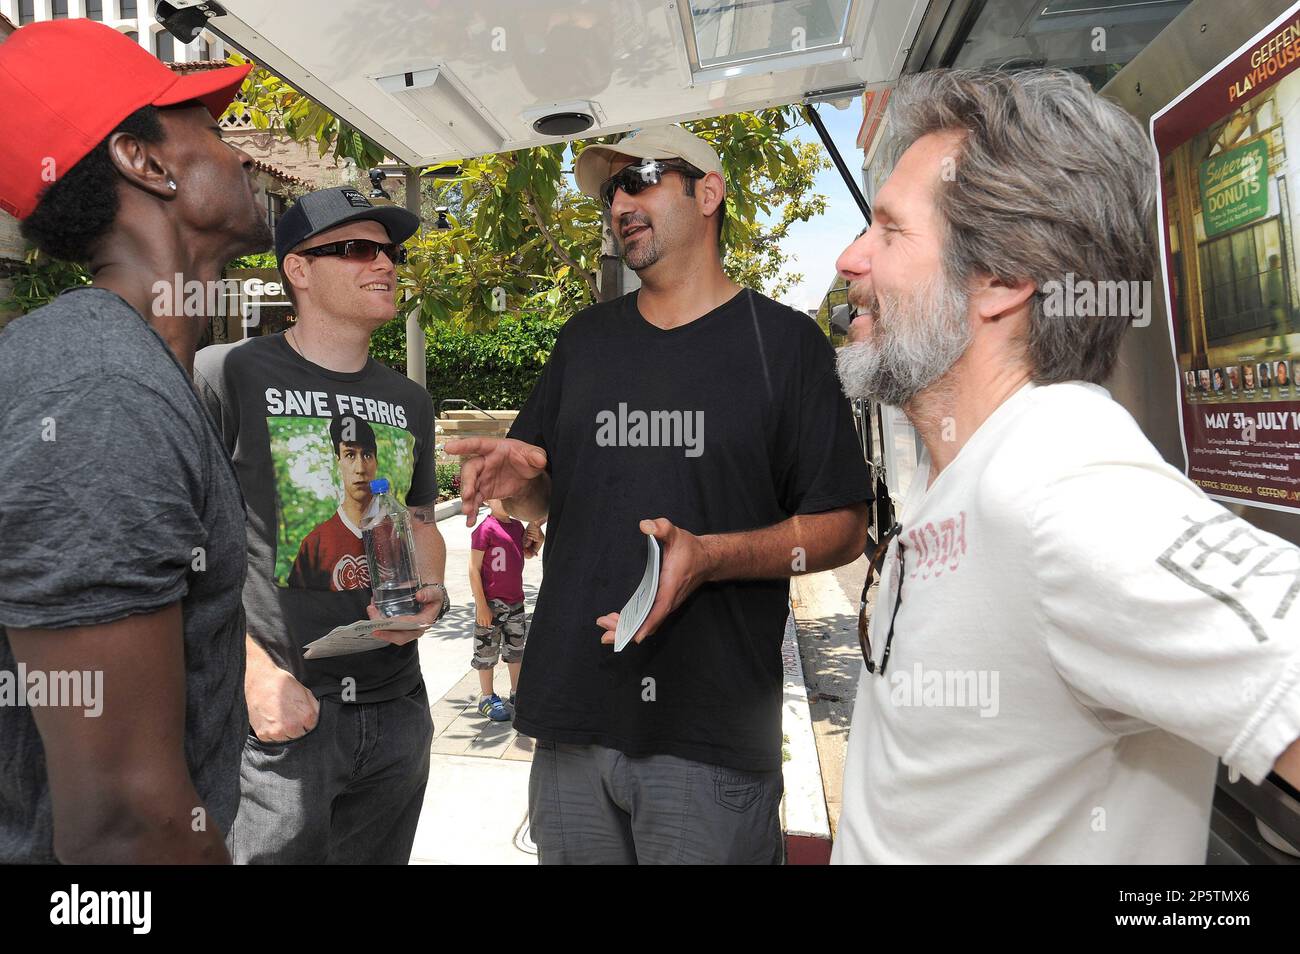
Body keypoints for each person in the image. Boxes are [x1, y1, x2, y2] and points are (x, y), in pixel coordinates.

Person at [831, 68, 1300, 864]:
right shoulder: (976, 465)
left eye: (889, 230)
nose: (850, 258)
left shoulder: (1061, 486)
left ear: (1004, 282)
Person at [448, 125, 871, 865]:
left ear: (709, 192)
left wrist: (710, 556)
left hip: (707, 731)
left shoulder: (788, 348)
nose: (620, 203)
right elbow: (555, 503)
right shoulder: (583, 341)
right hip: (573, 717)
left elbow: (840, 528)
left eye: (640, 177)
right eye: (611, 190)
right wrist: (522, 490)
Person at [0, 20, 270, 863]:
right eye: (215, 129)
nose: (240, 153)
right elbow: (125, 823)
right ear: (144, 161)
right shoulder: (101, 392)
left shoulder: (132, 370)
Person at [193, 187, 449, 864]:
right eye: (357, 249)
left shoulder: (410, 400)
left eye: (389, 251)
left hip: (397, 715)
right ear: (298, 270)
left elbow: (421, 523)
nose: (385, 264)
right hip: (281, 720)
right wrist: (249, 675)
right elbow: (177, 547)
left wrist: (433, 590)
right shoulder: (227, 373)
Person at [469, 499, 542, 721]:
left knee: (515, 650)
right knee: (486, 652)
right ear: (486, 500)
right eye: (498, 496)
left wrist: (536, 534)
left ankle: (516, 693)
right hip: (491, 604)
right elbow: (473, 569)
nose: (505, 500)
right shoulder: (485, 529)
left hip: (516, 602)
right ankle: (487, 697)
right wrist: (481, 605)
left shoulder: (517, 526)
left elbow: (528, 552)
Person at [288, 415, 379, 590]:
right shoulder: (315, 544)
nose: (360, 468)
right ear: (338, 463)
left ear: (376, 462)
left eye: (367, 454)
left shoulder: (394, 533)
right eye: (350, 454)